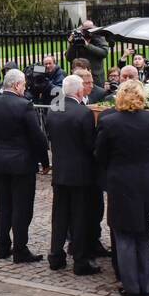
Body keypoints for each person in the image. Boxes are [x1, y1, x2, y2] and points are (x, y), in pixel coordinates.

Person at [95, 80, 149, 296]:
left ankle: (131, 287)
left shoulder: (109, 122)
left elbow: (100, 154)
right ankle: (147, 286)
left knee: (125, 237)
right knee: (148, 236)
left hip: (122, 183)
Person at [0, 69, 50, 264]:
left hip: (0, 159)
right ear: (16, 85)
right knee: (22, 208)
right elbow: (37, 136)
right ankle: (20, 249)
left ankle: (2, 247)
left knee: (3, 207)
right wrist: (45, 161)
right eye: (23, 85)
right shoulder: (24, 105)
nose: (25, 88)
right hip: (22, 163)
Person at [45, 76, 101, 276]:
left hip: (60, 172)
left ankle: (55, 256)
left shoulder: (54, 109)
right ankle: (80, 260)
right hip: (80, 174)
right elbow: (90, 145)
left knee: (59, 216)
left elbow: (50, 136)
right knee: (79, 217)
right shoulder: (83, 113)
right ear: (78, 92)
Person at [65, 20, 109, 87]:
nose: (88, 32)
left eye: (90, 29)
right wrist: (72, 44)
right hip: (79, 76)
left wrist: (87, 45)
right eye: (85, 30)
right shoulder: (77, 38)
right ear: (82, 30)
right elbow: (69, 58)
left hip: (95, 77)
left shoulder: (99, 37)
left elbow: (104, 53)